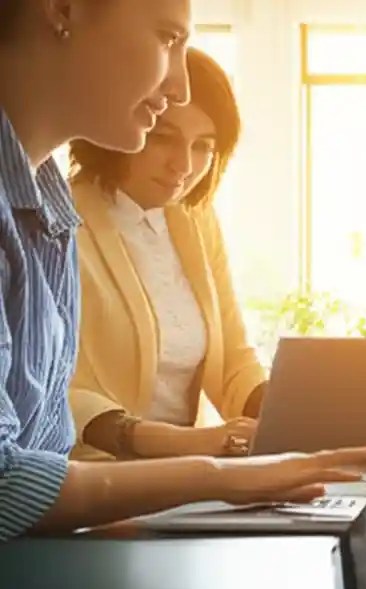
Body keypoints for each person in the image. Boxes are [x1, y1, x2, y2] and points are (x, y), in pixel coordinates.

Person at [0, 0, 366, 542]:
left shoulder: (46, 212)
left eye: (204, 146)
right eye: (167, 39)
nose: (178, 87)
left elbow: (43, 447)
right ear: (63, 10)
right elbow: (12, 480)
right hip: (95, 505)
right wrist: (216, 470)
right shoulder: (66, 214)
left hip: (72, 534)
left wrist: (304, 430)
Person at [69, 47, 265, 461]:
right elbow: (64, 393)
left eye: (203, 147)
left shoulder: (196, 220)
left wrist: (285, 418)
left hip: (189, 473)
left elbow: (232, 358)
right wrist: (192, 444)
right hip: (97, 477)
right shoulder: (60, 221)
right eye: (164, 138)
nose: (183, 165)